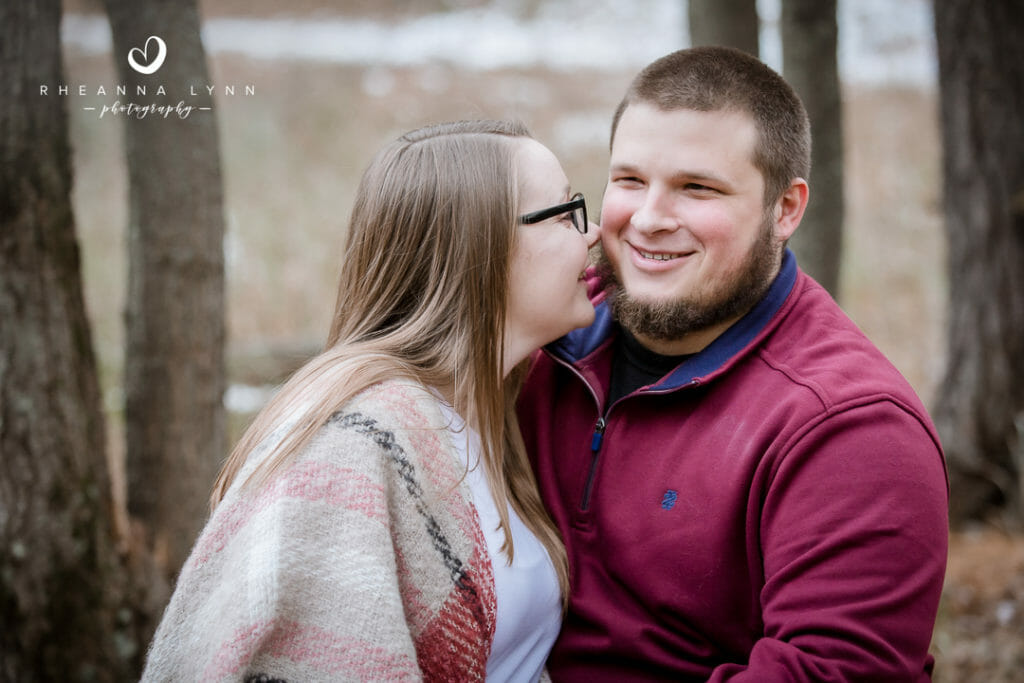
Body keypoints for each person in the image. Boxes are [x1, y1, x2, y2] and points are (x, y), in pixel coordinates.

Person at [517, 47, 949, 681]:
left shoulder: (852, 430)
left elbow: (830, 670)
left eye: (697, 188)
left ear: (785, 209)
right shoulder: (535, 330)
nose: (648, 219)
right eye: (630, 180)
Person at [142, 119, 600, 682]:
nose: (594, 232)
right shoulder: (350, 444)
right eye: (566, 213)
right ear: (479, 245)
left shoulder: (494, 410)